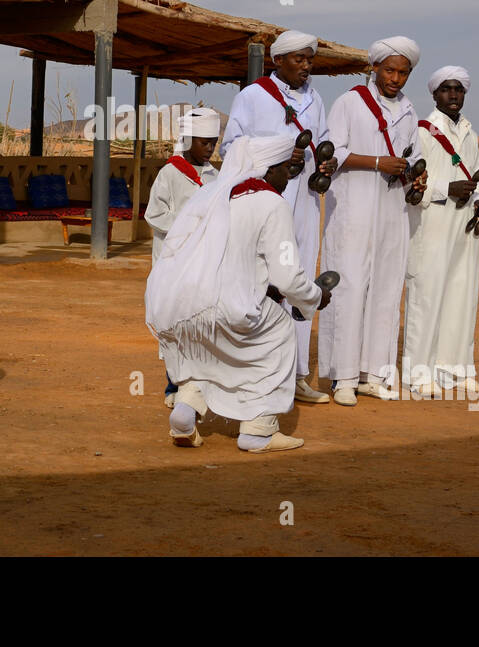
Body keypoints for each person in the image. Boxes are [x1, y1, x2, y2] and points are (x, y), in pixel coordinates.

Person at [146, 134, 331, 453]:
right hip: (233, 310)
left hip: (190, 307)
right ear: (268, 169)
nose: (288, 177)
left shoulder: (217, 194)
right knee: (281, 330)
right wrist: (315, 297)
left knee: (214, 346)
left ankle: (186, 410)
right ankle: (259, 430)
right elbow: (287, 276)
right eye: (286, 169)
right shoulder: (272, 203)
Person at [221, 30, 337, 405]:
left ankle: (297, 373)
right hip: (264, 199)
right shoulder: (252, 97)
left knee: (298, 275)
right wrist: (272, 158)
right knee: (263, 280)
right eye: (299, 59)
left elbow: (323, 140)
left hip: (304, 200)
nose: (307, 66)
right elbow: (231, 148)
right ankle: (257, 373)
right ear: (278, 61)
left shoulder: (315, 99)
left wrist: (326, 160)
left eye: (310, 60)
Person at [318, 36, 427, 405]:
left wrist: (414, 174)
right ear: (375, 68)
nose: (395, 78)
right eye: (390, 70)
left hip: (392, 208)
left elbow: (413, 155)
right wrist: (379, 162)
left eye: (403, 72)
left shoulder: (410, 111)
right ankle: (343, 377)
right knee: (348, 286)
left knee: (385, 286)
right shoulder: (350, 102)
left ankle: (374, 373)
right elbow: (333, 152)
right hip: (354, 206)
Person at [402, 66, 479, 398]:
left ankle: (456, 370)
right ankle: (418, 374)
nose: (453, 95)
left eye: (458, 90)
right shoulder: (423, 131)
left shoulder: (469, 132)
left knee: (462, 295)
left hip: (464, 225)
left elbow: (476, 175)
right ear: (434, 94)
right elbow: (412, 184)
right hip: (433, 223)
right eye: (446, 89)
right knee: (427, 297)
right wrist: (446, 188)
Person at [144, 107, 220, 408]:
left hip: (201, 264)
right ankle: (172, 387)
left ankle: (199, 387)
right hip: (173, 263)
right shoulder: (169, 173)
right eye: (204, 142)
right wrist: (189, 225)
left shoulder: (214, 175)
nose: (210, 148)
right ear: (188, 140)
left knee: (199, 324)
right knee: (174, 326)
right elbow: (154, 214)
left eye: (213, 142)